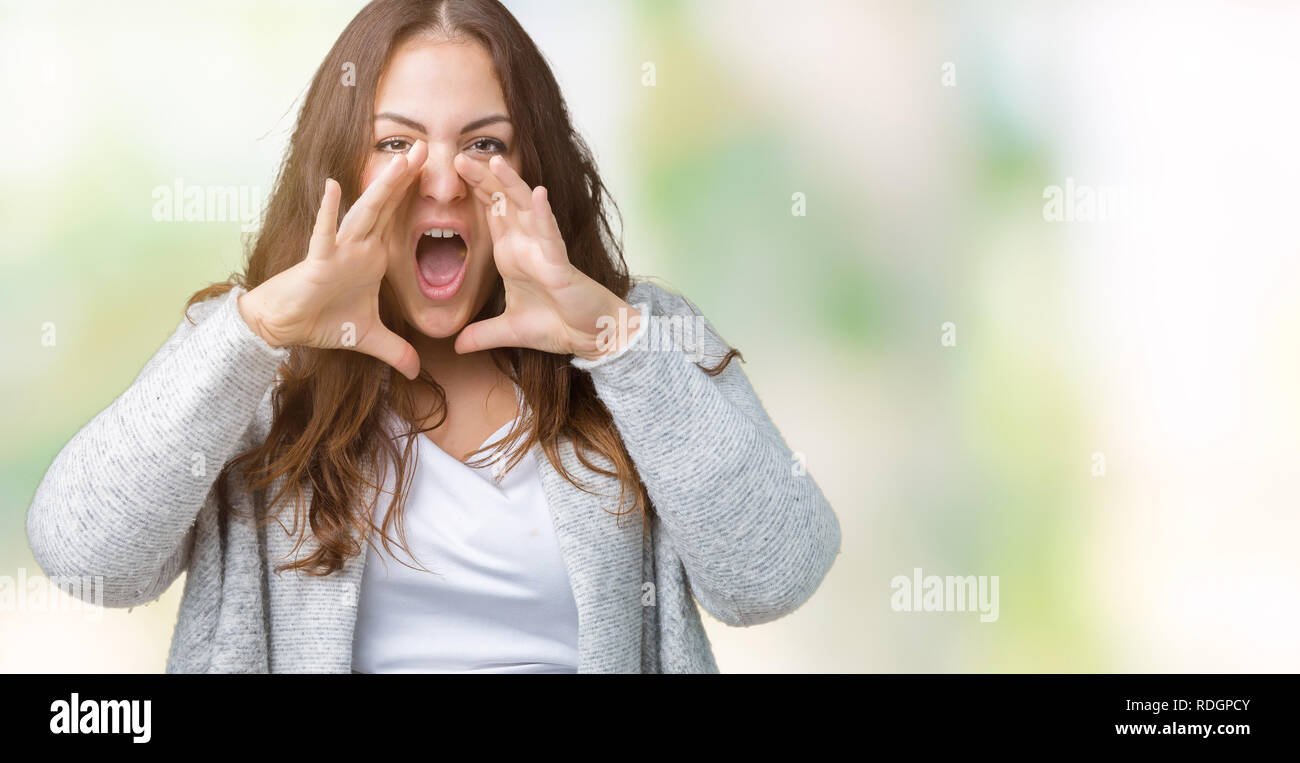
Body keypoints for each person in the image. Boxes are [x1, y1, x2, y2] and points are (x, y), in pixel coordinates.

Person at [26, 0, 841, 673]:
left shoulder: (635, 337)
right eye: (397, 145)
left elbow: (772, 578)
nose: (445, 180)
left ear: (536, 170)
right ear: (339, 165)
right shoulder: (251, 353)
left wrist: (612, 342)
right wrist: (261, 330)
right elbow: (85, 558)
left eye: (484, 144)